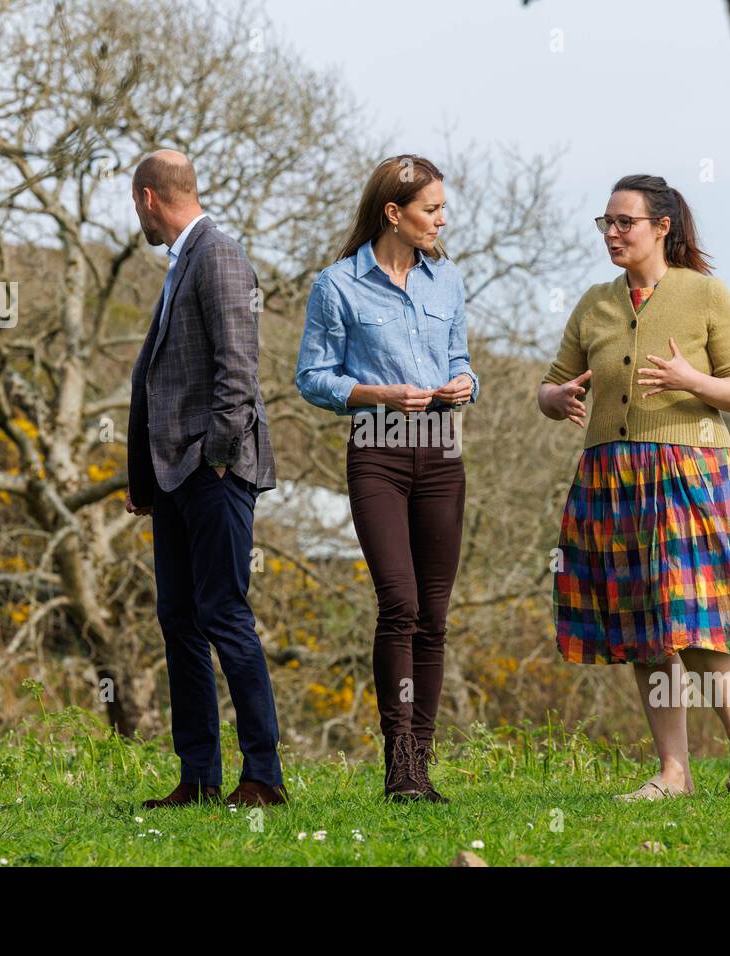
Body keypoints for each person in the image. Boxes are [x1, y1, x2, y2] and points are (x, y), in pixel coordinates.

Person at [537, 174, 730, 801]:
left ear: (661, 228)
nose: (612, 233)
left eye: (625, 222)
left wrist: (693, 379)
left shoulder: (706, 295)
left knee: (693, 613)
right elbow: (550, 384)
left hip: (687, 468)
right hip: (609, 476)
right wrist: (555, 398)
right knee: (642, 625)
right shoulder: (594, 302)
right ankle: (674, 773)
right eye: (606, 223)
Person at [295, 155, 478, 802]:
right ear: (394, 214)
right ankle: (398, 765)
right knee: (398, 604)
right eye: (431, 209)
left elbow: (460, 357)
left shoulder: (448, 279)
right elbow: (312, 377)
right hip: (378, 450)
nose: (442, 220)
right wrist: (375, 394)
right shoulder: (336, 285)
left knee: (434, 617)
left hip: (441, 451)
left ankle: (419, 771)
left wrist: (465, 384)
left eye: (442, 209)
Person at [126, 149, 286, 808]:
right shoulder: (184, 260)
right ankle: (197, 779)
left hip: (212, 469)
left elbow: (237, 367)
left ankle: (263, 777)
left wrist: (216, 455)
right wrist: (146, 475)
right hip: (174, 477)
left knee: (224, 616)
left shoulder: (215, 253)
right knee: (179, 621)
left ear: (147, 199)